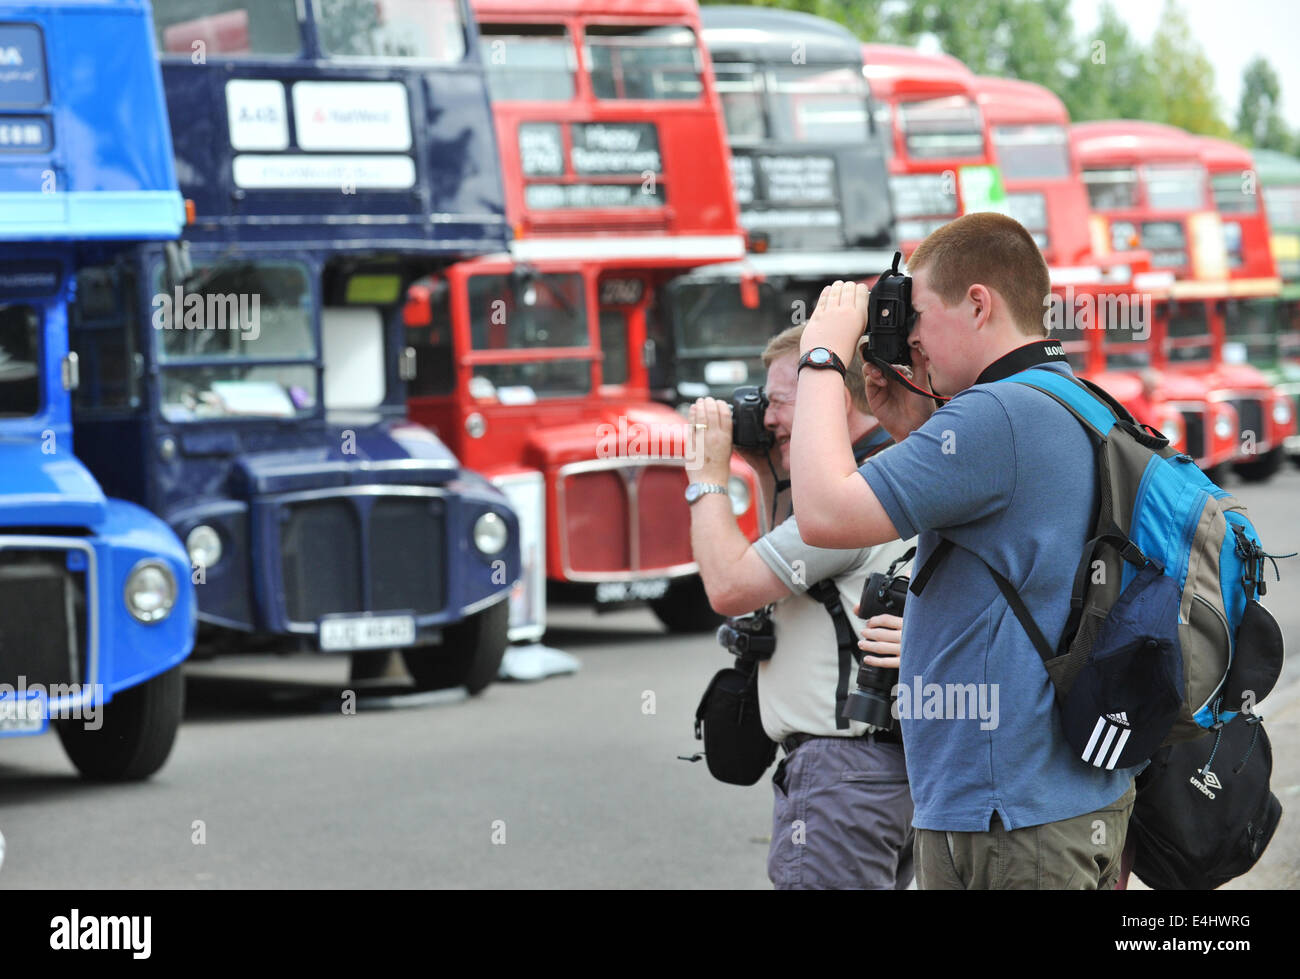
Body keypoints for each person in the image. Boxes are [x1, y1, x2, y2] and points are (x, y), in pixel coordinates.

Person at [789, 212, 1137, 890]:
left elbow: (823, 512)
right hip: (1062, 799)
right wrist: (914, 427)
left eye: (916, 316)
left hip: (1008, 817)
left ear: (979, 304)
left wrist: (822, 356)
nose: (910, 340)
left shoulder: (996, 415)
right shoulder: (1073, 398)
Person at [685, 323, 915, 890]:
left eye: (781, 403)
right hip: (891, 772)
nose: (766, 419)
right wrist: (770, 472)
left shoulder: (850, 500)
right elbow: (789, 574)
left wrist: (707, 479)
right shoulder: (896, 471)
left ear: (829, 395)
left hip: (841, 774)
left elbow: (730, 587)